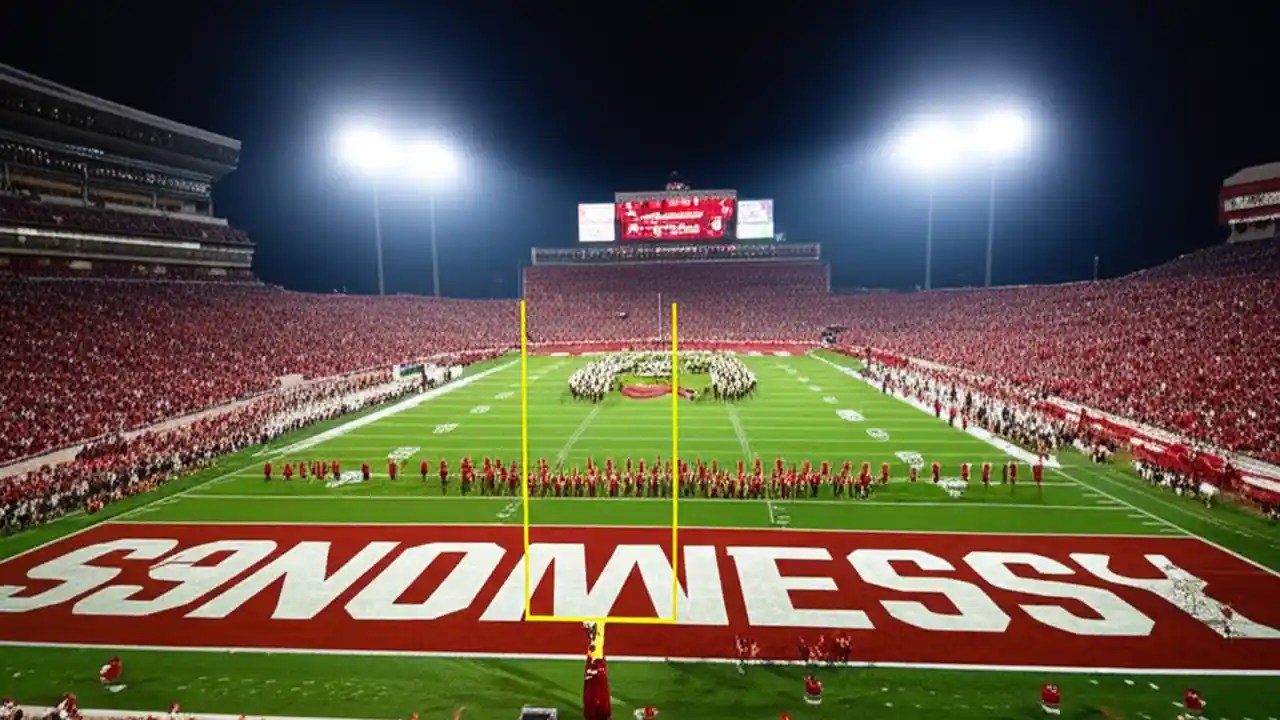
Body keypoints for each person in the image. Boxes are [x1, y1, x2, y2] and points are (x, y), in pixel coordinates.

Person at [583, 622, 612, 720]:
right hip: (596, 674)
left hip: (593, 676)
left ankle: (593, 632)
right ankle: (596, 630)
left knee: (594, 652)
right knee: (596, 653)